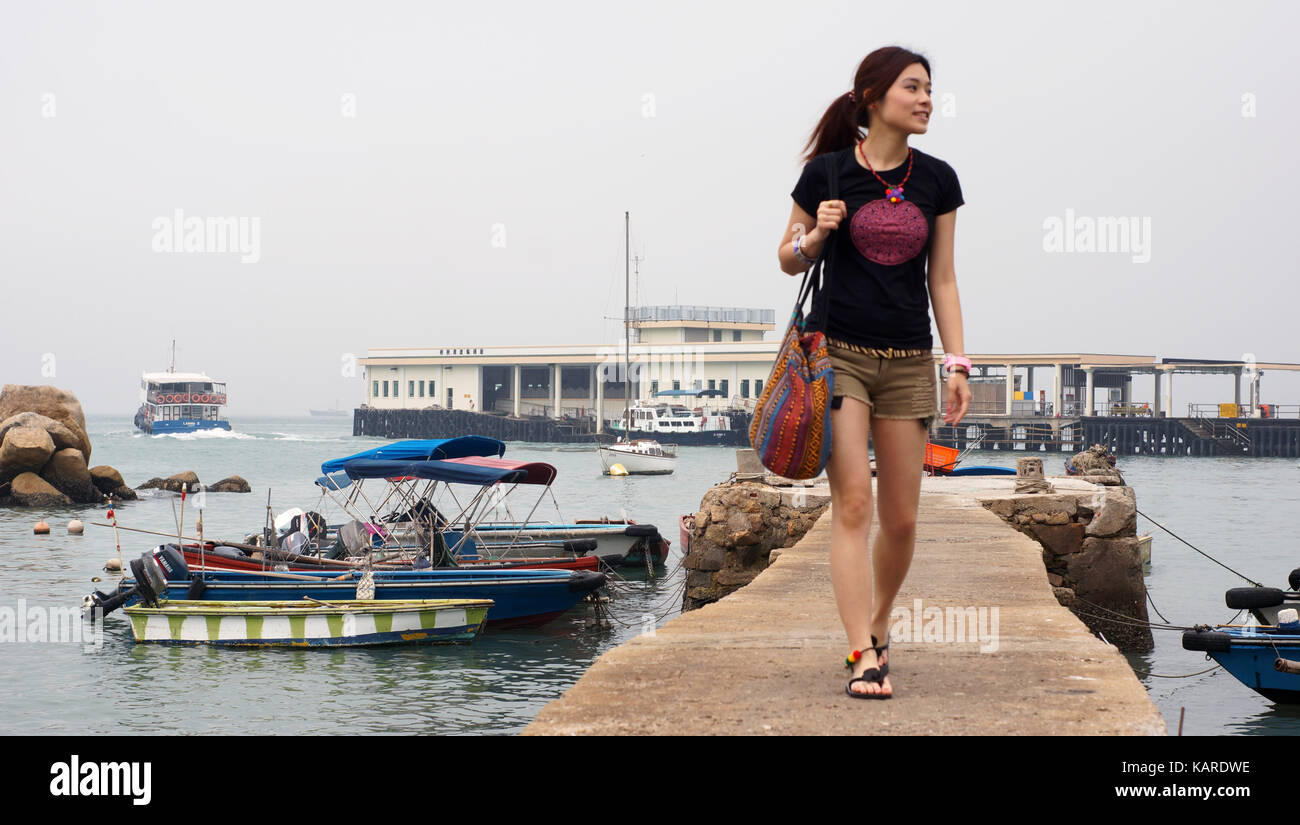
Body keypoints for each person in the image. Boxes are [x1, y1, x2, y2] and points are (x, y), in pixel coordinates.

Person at [777, 46, 972, 699]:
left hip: (911, 358)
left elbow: (942, 277)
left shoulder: (937, 179)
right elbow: (786, 256)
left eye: (929, 90)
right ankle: (862, 651)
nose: (926, 100)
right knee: (853, 503)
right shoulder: (827, 174)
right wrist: (815, 236)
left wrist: (958, 361)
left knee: (904, 517)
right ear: (873, 96)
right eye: (913, 88)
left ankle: (881, 619)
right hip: (842, 357)